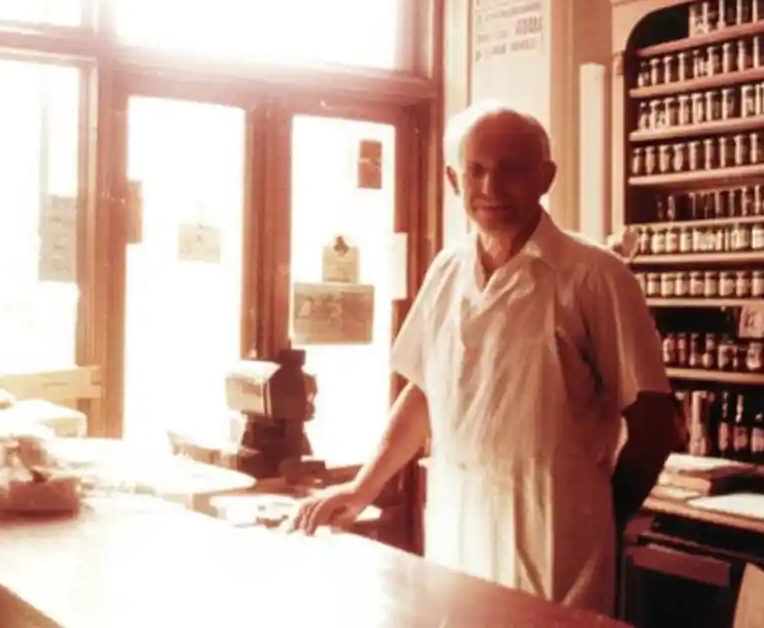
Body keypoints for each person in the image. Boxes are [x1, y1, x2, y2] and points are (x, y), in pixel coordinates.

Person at [289, 101, 685, 616]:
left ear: (546, 177)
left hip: (556, 549)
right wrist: (364, 486)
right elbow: (427, 391)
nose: (491, 189)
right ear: (455, 180)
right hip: (459, 533)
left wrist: (598, 516)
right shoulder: (448, 270)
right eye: (476, 170)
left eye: (512, 170)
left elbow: (654, 424)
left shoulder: (596, 276)